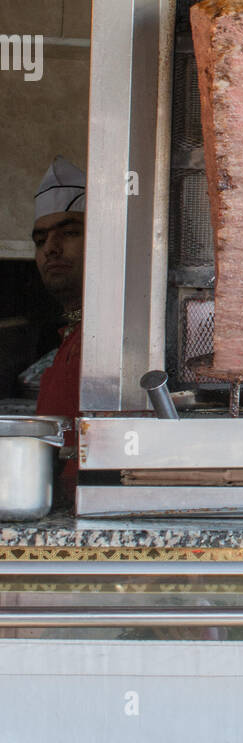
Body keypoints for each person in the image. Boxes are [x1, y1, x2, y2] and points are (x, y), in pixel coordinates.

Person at [32, 156, 85, 501]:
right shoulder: (71, 336)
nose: (51, 249)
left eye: (68, 233)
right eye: (40, 240)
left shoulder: (106, 337)